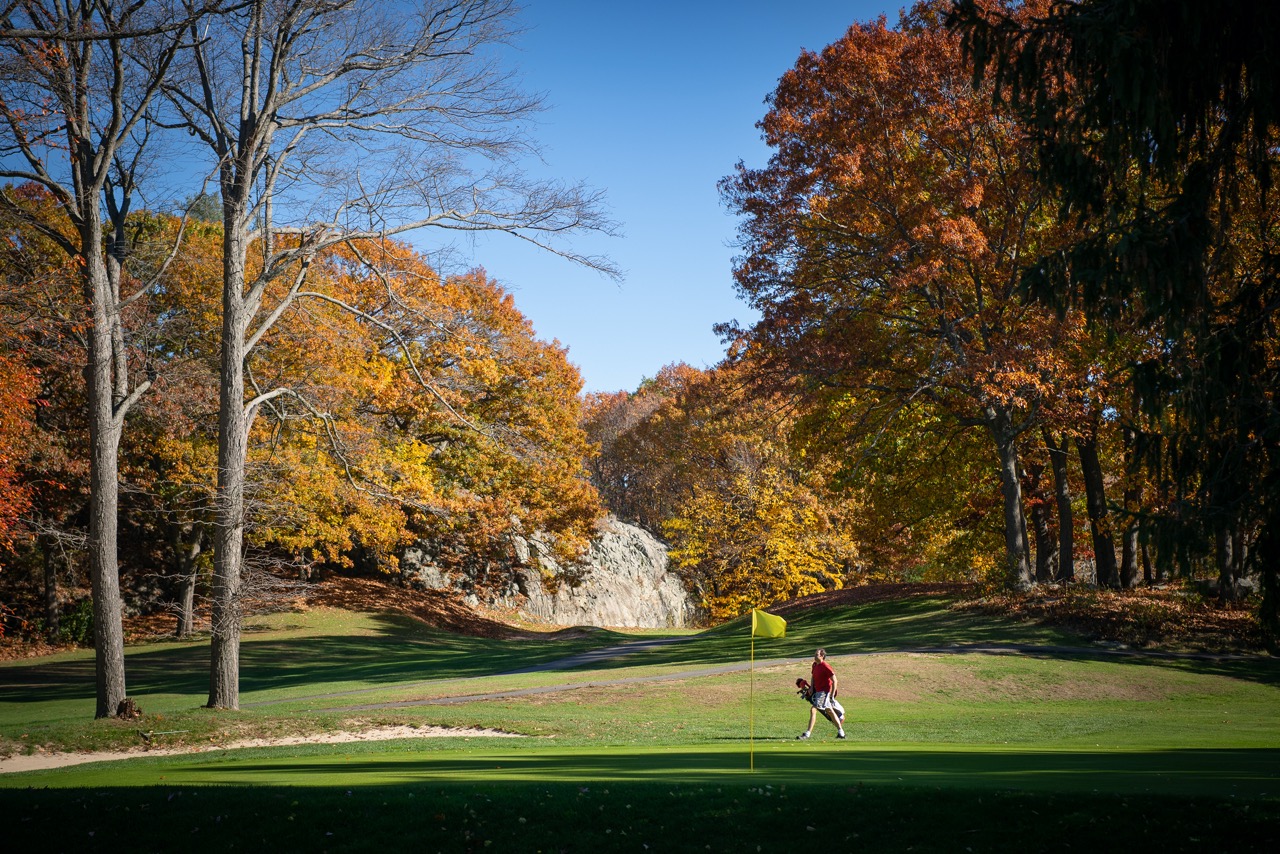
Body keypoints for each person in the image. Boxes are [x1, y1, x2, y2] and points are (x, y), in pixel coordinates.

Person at [797, 648, 845, 739]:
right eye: (814, 654)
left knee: (813, 709)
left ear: (822, 656)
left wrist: (832, 695)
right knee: (830, 711)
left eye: (817, 655)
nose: (814, 656)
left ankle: (807, 734)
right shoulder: (815, 665)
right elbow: (813, 676)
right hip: (818, 692)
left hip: (824, 692)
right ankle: (841, 733)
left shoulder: (826, 666)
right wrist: (811, 687)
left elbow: (835, 681)